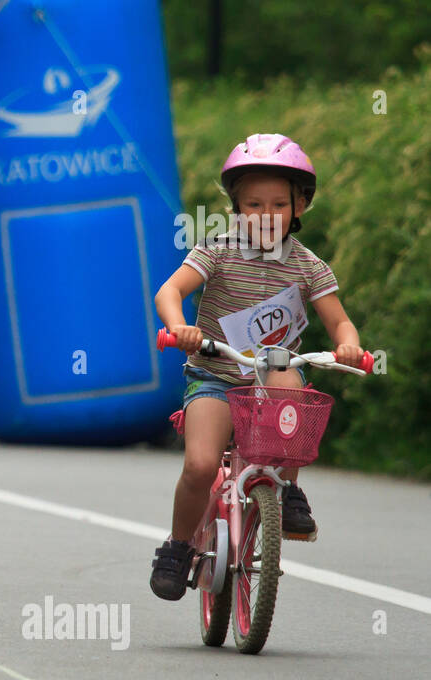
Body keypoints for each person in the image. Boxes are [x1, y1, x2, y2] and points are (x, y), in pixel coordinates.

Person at [149, 134, 366, 601]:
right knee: (201, 464)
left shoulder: (309, 266)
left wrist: (348, 346)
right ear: (235, 207)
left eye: (278, 204)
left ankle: (286, 490)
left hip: (271, 376)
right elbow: (169, 292)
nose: (265, 215)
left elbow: (339, 321)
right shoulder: (218, 250)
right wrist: (179, 326)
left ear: (300, 204)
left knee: (287, 376)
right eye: (252, 204)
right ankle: (177, 546)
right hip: (216, 375)